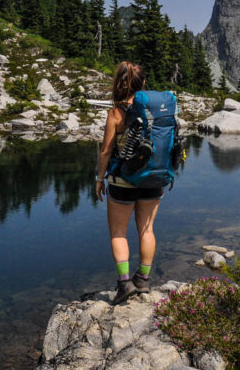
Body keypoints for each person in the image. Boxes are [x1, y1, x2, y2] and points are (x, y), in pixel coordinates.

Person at [95, 61, 163, 305]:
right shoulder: (157, 109)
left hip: (122, 181)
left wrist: (99, 179)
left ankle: (124, 284)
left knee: (118, 232)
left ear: (119, 83)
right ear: (143, 83)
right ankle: (143, 280)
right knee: (146, 229)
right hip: (153, 179)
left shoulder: (116, 112)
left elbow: (106, 151)